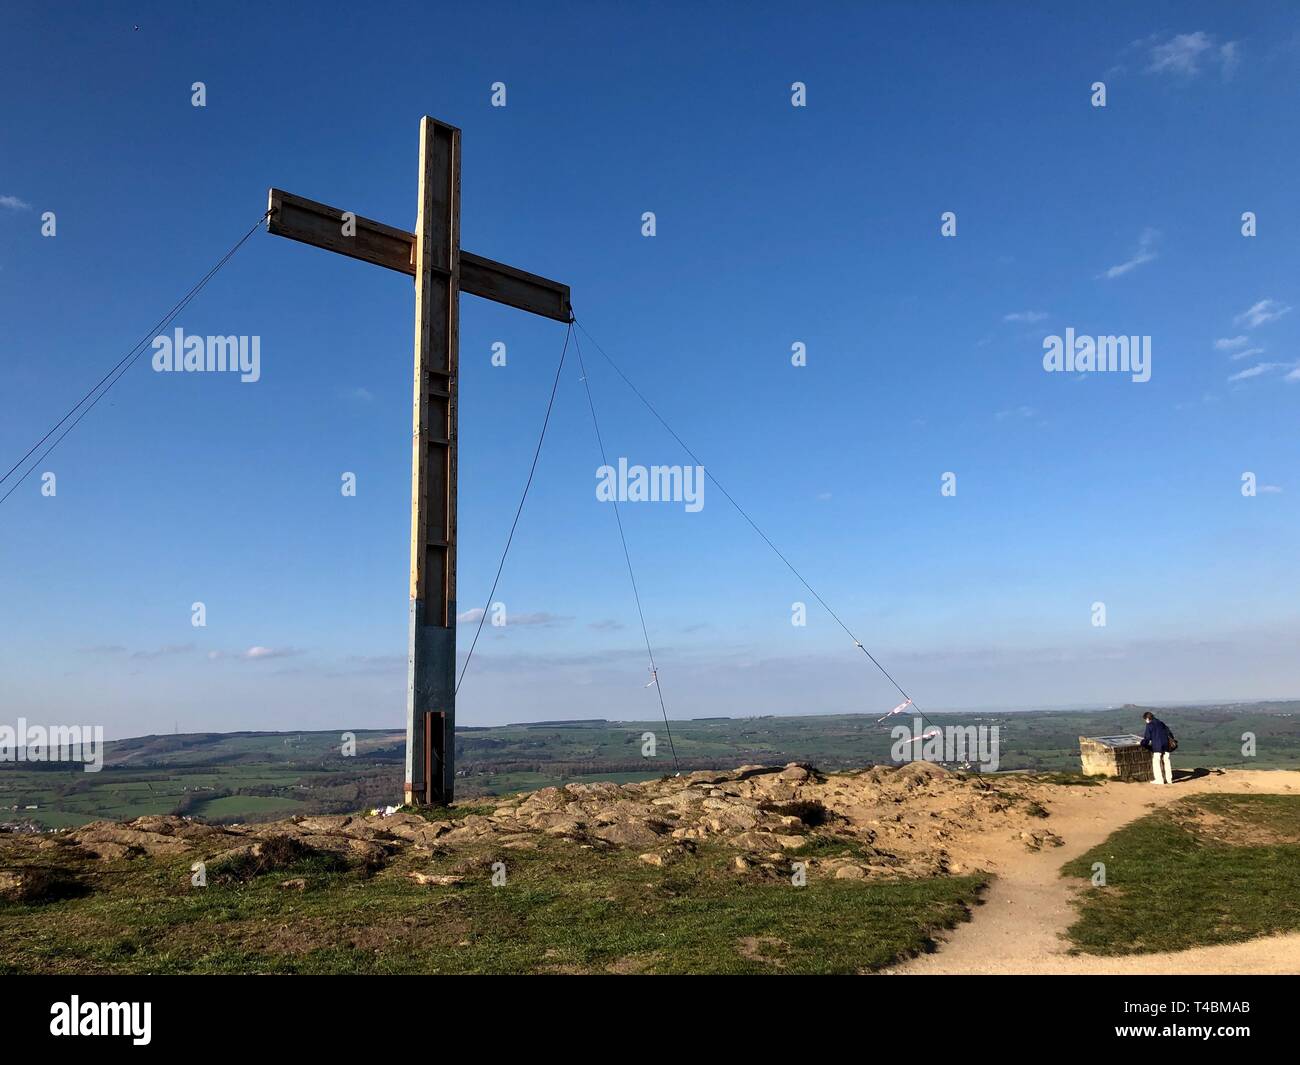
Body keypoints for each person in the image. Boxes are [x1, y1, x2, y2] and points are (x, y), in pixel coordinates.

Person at [1139, 711, 1174, 785]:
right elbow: (1169, 733)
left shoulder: (1150, 725)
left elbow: (1147, 738)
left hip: (1158, 746)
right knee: (1167, 761)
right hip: (1166, 745)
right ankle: (1169, 780)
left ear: (1147, 718)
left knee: (1156, 762)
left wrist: (1142, 743)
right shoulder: (1161, 723)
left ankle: (1159, 780)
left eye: (1145, 719)